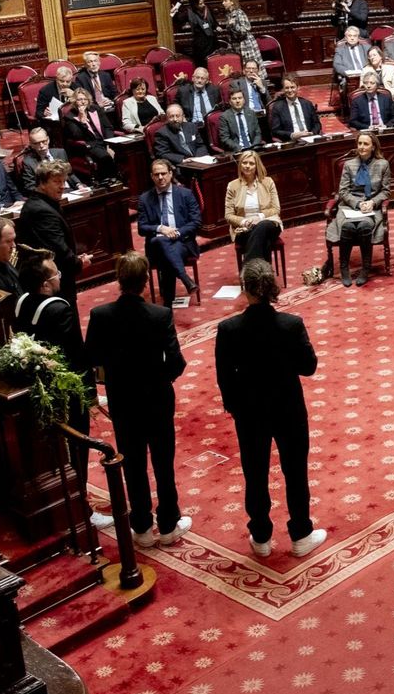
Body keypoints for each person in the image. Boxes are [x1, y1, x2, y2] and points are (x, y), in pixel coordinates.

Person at [214, 257, 325, 559]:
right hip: (289, 409)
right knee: (295, 472)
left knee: (255, 473)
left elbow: (224, 379)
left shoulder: (229, 329)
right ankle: (301, 534)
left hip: (250, 413)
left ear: (245, 288)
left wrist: (236, 409)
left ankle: (261, 536)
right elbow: (309, 367)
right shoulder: (291, 324)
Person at [86, 253, 190, 547]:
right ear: (145, 281)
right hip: (157, 399)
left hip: (123, 400)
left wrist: (112, 378)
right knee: (163, 463)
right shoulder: (160, 315)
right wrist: (161, 379)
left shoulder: (100, 315)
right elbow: (177, 362)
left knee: (132, 464)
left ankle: (141, 527)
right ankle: (168, 525)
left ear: (119, 280)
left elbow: (91, 359)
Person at [11, 251, 93, 487]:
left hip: (35, 383)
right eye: (56, 274)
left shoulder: (21, 301)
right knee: (77, 441)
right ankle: (80, 491)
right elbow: (74, 352)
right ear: (45, 284)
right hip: (65, 388)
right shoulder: (59, 309)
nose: (60, 277)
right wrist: (88, 390)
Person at [17, 158, 87, 302]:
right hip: (52, 279)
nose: (62, 186)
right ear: (42, 183)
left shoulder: (44, 203)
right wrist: (78, 263)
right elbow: (58, 248)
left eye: (63, 181)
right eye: (56, 182)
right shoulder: (41, 211)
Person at [326, 132, 388, 287]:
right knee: (347, 227)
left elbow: (385, 192)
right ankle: (344, 267)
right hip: (350, 206)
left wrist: (372, 202)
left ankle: (366, 268)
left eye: (366, 144)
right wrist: (358, 204)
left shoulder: (383, 164)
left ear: (373, 147)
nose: (362, 147)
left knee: (364, 226)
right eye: (359, 143)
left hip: (371, 207)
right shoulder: (349, 165)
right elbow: (343, 191)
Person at [138, 159, 200, 306]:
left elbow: (195, 222)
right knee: (161, 241)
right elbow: (142, 228)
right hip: (156, 245)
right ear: (152, 176)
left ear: (171, 174)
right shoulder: (145, 199)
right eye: (156, 174)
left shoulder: (185, 194)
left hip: (182, 242)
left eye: (163, 173)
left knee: (165, 255)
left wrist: (177, 233)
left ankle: (168, 304)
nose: (160, 177)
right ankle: (185, 278)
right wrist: (160, 228)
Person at [224, 149, 282, 270]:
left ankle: (248, 269)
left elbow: (276, 209)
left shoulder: (268, 182)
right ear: (240, 165)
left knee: (262, 226)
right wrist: (245, 221)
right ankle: (265, 275)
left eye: (251, 163)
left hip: (269, 223)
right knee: (264, 240)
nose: (247, 166)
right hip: (244, 229)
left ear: (257, 166)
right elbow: (228, 215)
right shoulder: (233, 186)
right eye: (244, 163)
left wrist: (258, 217)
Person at [61, 87, 116, 174]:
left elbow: (108, 127)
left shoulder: (95, 109)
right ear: (74, 101)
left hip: (105, 141)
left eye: (85, 99)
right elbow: (77, 135)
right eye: (79, 100)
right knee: (105, 157)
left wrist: (109, 145)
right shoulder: (70, 116)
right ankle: (112, 177)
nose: (83, 102)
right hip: (90, 145)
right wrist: (82, 122)